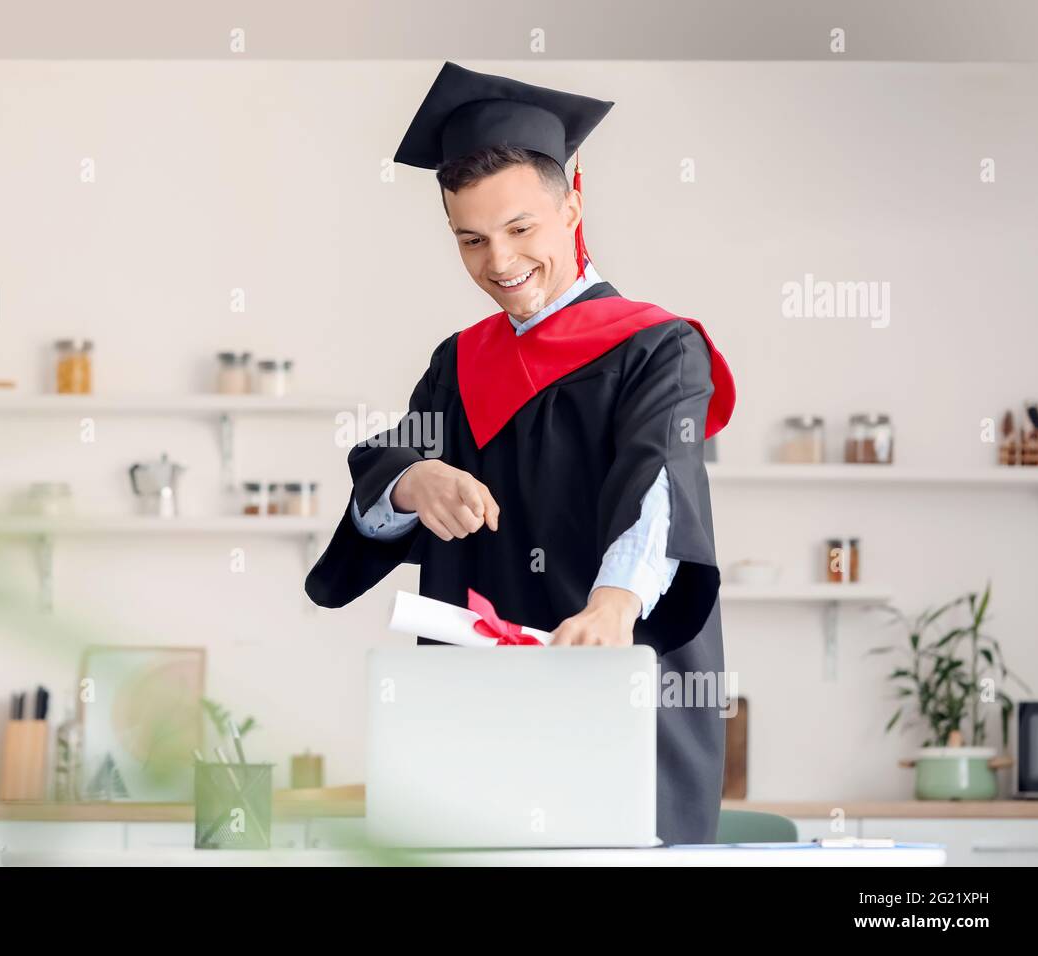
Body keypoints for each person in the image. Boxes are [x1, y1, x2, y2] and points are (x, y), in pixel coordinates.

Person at [305, 61, 736, 845]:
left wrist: (614, 604)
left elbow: (660, 483)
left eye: (520, 229)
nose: (498, 263)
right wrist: (412, 482)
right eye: (469, 239)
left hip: (615, 693)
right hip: (477, 704)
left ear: (573, 202)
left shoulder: (656, 348)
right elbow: (390, 462)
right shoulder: (458, 363)